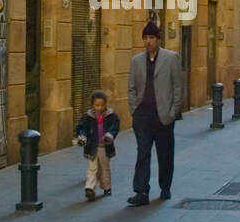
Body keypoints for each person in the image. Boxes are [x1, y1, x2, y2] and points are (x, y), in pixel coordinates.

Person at [127, 21, 184, 206]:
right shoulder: (136, 60)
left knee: (165, 154)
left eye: (152, 38)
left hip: (163, 115)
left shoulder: (171, 58)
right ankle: (141, 191)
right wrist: (134, 109)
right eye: (146, 38)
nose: (148, 41)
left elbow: (178, 86)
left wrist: (173, 111)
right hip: (143, 114)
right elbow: (131, 88)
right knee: (142, 152)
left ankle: (165, 186)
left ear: (158, 39)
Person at [75, 90, 120, 201]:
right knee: (92, 168)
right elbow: (81, 127)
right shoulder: (88, 117)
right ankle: (90, 188)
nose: (99, 108)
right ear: (92, 105)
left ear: (105, 104)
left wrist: (110, 135)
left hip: (105, 146)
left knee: (105, 168)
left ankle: (106, 186)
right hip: (92, 146)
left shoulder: (111, 116)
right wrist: (82, 136)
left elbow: (115, 126)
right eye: (97, 105)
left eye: (102, 105)